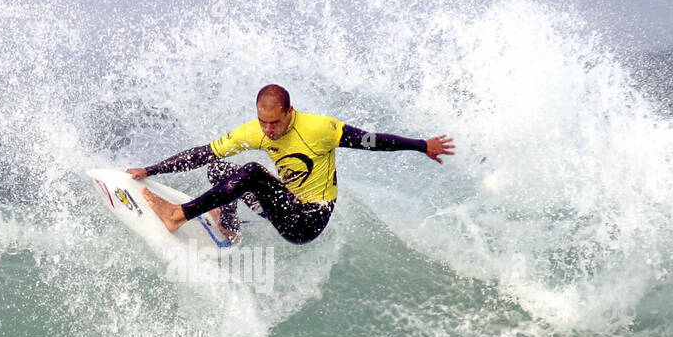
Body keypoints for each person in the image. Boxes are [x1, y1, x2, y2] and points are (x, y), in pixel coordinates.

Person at [130, 84, 455, 244]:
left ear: (289, 112)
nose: (268, 131)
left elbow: (372, 140)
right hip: (282, 203)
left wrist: (421, 145)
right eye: (262, 122)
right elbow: (204, 152)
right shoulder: (256, 131)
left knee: (252, 172)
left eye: (274, 123)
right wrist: (151, 170)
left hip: (307, 220)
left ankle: (178, 215)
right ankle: (228, 227)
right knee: (218, 170)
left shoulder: (320, 129)